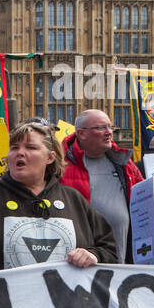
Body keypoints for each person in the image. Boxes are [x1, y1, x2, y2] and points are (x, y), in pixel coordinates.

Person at [0, 121, 118, 274]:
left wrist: (93, 255)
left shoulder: (73, 199)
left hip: (65, 303)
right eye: (14, 148)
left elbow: (109, 249)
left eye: (31, 147)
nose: (20, 153)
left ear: (50, 157)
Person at [61, 109, 144, 263]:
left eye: (110, 127)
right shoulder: (61, 165)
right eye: (100, 128)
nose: (108, 132)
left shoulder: (124, 163)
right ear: (82, 133)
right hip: (79, 260)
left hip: (122, 258)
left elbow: (143, 199)